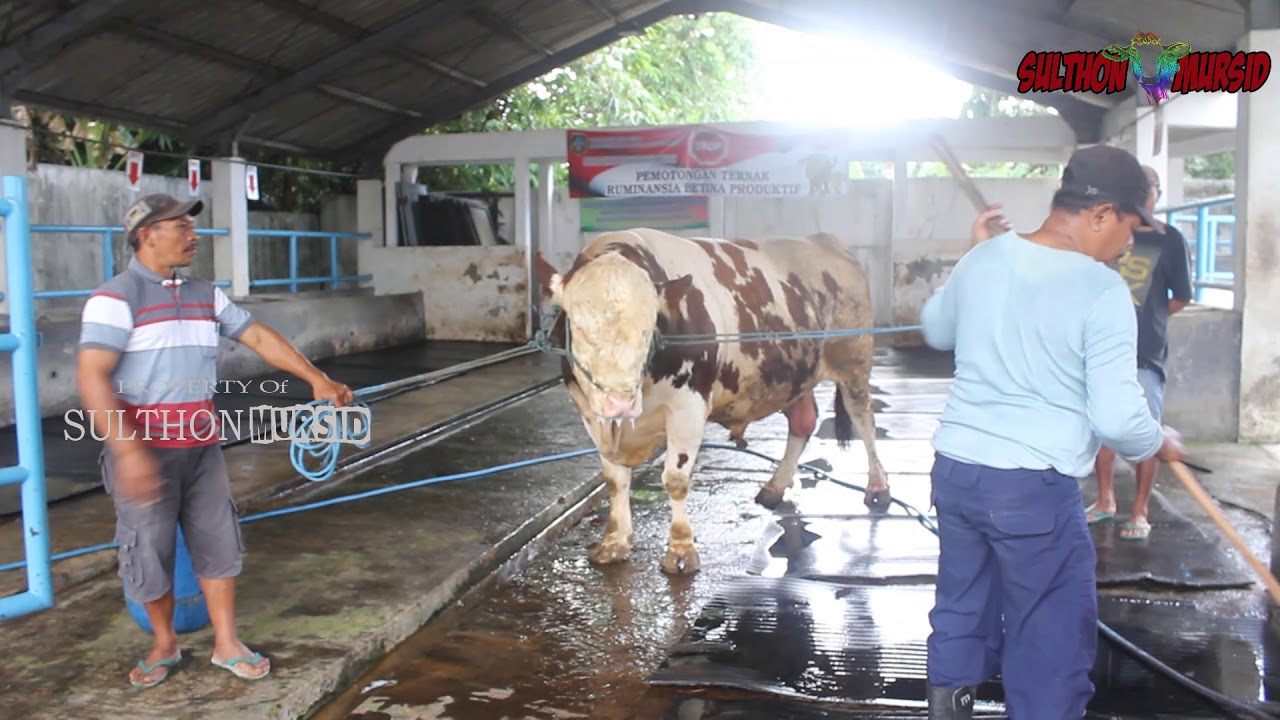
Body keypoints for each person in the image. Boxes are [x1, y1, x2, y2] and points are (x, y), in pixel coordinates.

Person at [917, 145, 1187, 720]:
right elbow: (1117, 417)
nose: (1131, 242)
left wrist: (972, 260)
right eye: (1131, 226)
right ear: (1101, 213)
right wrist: (1157, 440)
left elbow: (936, 330)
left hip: (957, 471)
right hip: (1032, 488)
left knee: (962, 608)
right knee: (1050, 637)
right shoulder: (1100, 288)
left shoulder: (984, 258)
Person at [76, 194, 355, 689]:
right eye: (180, 226)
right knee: (148, 551)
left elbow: (258, 338)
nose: (193, 235)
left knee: (217, 541)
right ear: (146, 234)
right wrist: (127, 451)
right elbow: (92, 378)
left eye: (191, 225)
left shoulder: (205, 294)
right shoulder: (116, 299)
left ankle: (227, 643)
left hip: (201, 448)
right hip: (144, 450)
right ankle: (164, 644)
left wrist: (316, 378)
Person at [1086, 166, 1194, 540]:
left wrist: (1149, 321)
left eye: (1151, 186)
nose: (1146, 192)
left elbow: (1181, 295)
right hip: (1104, 348)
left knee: (1147, 431)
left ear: (1158, 193)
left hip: (1146, 351)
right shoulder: (1113, 233)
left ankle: (1141, 509)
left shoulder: (1169, 239)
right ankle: (1105, 501)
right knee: (1102, 429)